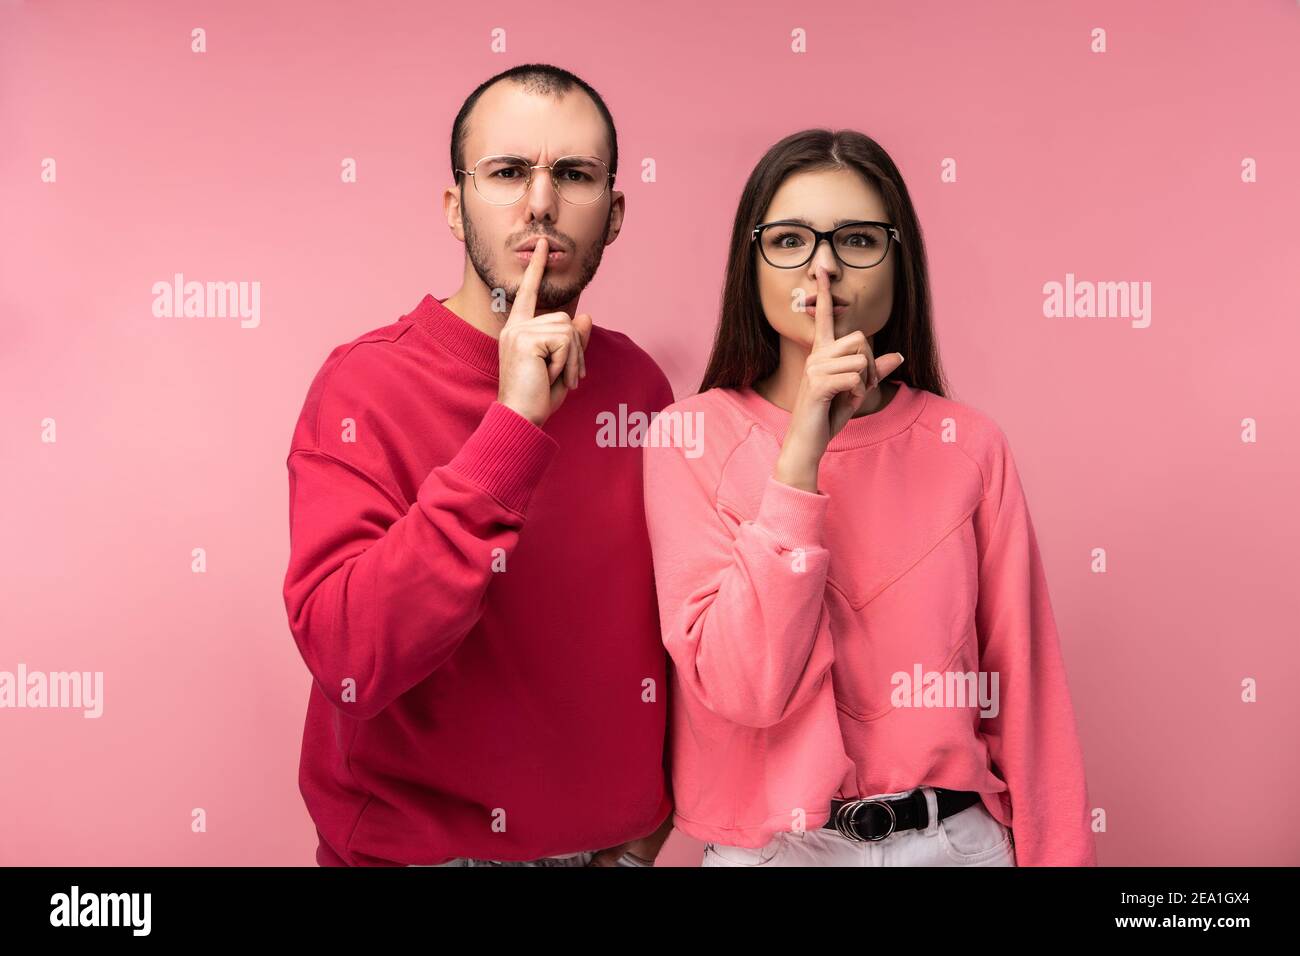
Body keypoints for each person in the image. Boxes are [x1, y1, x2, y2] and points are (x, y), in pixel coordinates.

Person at [642, 128, 1097, 866]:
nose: (823, 267)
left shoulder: (970, 446)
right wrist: (800, 461)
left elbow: (1028, 696)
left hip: (952, 843)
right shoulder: (687, 439)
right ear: (750, 265)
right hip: (775, 851)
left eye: (857, 239)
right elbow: (742, 689)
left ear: (899, 260)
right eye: (789, 239)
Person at [282, 63, 674, 867]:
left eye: (574, 175)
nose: (540, 204)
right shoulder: (364, 386)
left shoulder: (640, 385)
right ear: (456, 208)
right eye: (506, 174)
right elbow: (350, 658)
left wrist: (647, 824)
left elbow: (669, 628)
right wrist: (513, 425)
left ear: (616, 211)